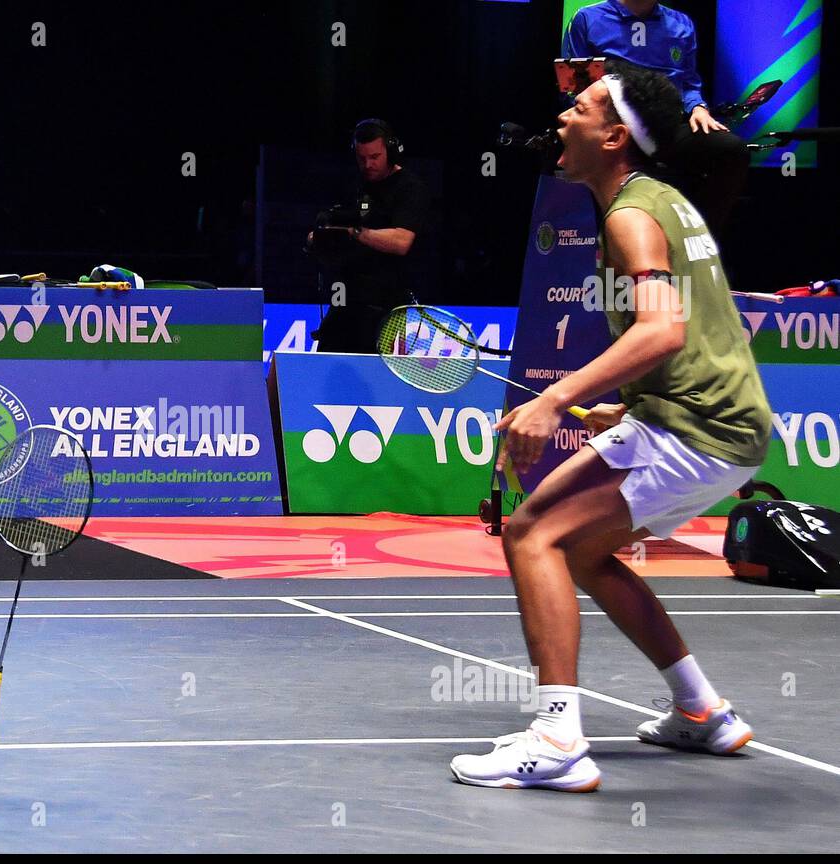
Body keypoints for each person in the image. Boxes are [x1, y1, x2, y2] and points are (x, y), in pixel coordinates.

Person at [450, 64, 771, 791]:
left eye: (581, 107)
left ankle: (558, 737)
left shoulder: (630, 215)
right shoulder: (664, 204)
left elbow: (661, 331)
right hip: (721, 421)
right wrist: (625, 405)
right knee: (587, 552)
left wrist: (553, 400)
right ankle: (702, 710)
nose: (563, 116)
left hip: (698, 426)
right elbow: (701, 337)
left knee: (533, 531)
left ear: (615, 136)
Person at [563, 0, 751, 239]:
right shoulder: (587, 19)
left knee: (732, 149)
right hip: (611, 129)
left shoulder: (682, 24)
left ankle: (698, 240)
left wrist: (698, 108)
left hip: (664, 127)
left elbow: (689, 83)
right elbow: (571, 86)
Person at [309, 119, 430, 353]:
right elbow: (337, 225)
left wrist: (356, 234)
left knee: (379, 380)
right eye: (361, 158)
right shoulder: (355, 185)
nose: (368, 164)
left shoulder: (410, 188)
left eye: (375, 157)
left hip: (389, 305)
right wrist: (321, 239)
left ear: (392, 151)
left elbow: (401, 241)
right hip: (346, 301)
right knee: (324, 366)